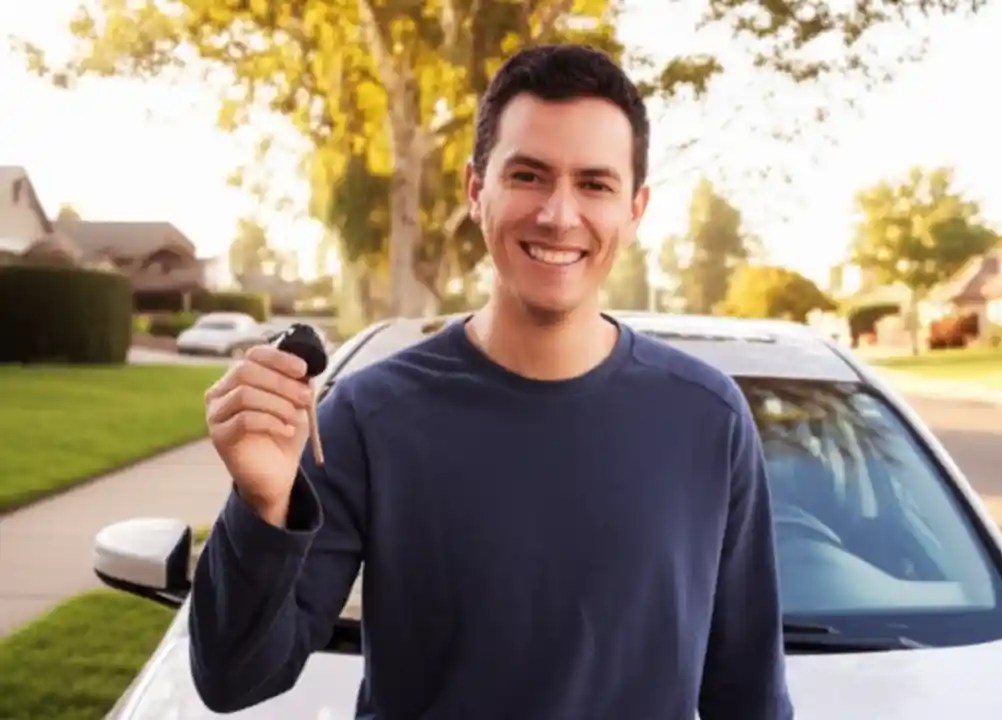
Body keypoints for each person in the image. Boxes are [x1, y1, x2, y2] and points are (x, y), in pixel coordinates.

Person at [192, 43, 794, 720]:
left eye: (595, 185)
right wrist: (263, 503)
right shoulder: (371, 416)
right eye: (529, 175)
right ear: (477, 191)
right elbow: (233, 679)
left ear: (635, 209)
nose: (559, 215)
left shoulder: (708, 419)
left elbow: (749, 697)